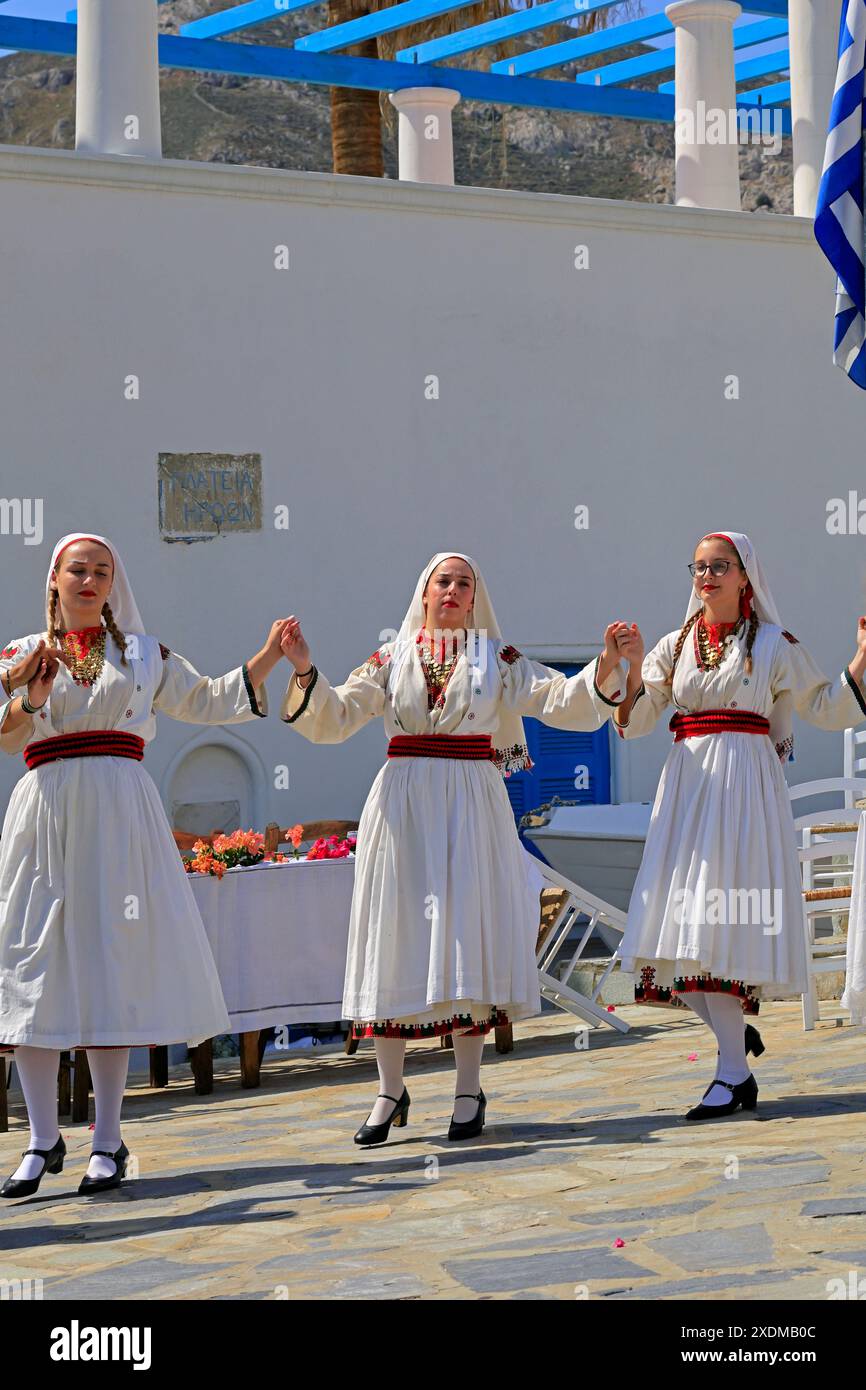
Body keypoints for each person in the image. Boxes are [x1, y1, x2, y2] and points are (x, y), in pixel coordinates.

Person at [278, 552, 624, 1144]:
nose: (455, 590)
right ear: (426, 591)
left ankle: (468, 1089)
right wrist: (307, 671)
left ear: (475, 596)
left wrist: (608, 665)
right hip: (404, 805)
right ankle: (389, 1090)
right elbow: (336, 718)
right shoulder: (391, 658)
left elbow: (561, 699)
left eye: (466, 582)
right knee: (394, 934)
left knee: (468, 935)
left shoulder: (499, 659)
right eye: (445, 580)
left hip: (472, 804)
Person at [0, 533, 286, 1197]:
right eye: (79, 570)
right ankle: (43, 1139)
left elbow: (209, 699)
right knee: (33, 966)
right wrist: (33, 698)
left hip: (121, 813)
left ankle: (107, 1138)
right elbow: (4, 731)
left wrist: (269, 656)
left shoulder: (141, 653)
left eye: (103, 570)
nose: (91, 580)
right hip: (45, 811)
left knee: (110, 965)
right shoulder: (21, 654)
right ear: (55, 580)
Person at [594, 531, 866, 1120]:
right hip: (689, 787)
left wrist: (862, 659)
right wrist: (635, 668)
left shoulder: (772, 643)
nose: (707, 575)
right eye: (698, 566)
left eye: (720, 566)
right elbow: (636, 722)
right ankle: (733, 1047)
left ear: (746, 576)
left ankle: (731, 1073)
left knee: (720, 929)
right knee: (673, 932)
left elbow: (824, 705)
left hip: (744, 789)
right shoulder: (674, 644)